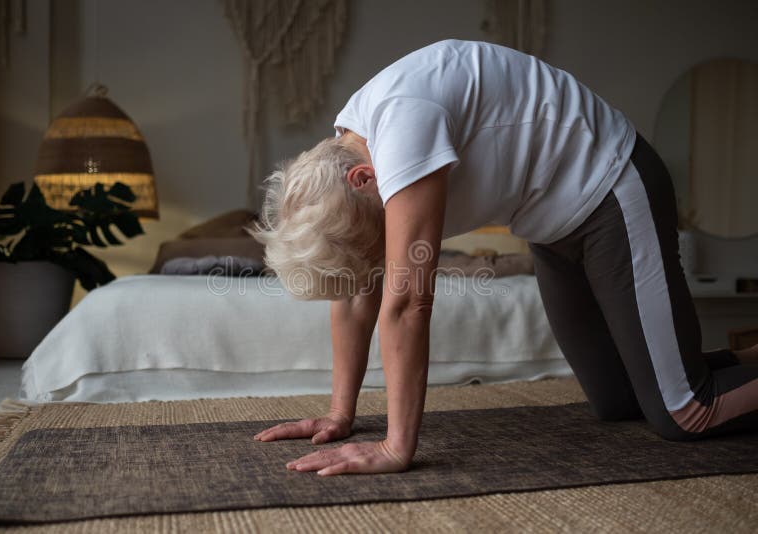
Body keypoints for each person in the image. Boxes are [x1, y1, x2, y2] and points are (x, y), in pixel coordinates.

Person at [249, 40, 758, 476]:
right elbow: (360, 289)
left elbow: (406, 302)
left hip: (611, 189)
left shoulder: (401, 128)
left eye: (374, 243)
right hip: (550, 228)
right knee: (618, 401)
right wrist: (340, 414)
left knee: (686, 411)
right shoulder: (353, 155)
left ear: (363, 182)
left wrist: (395, 446)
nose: (382, 254)